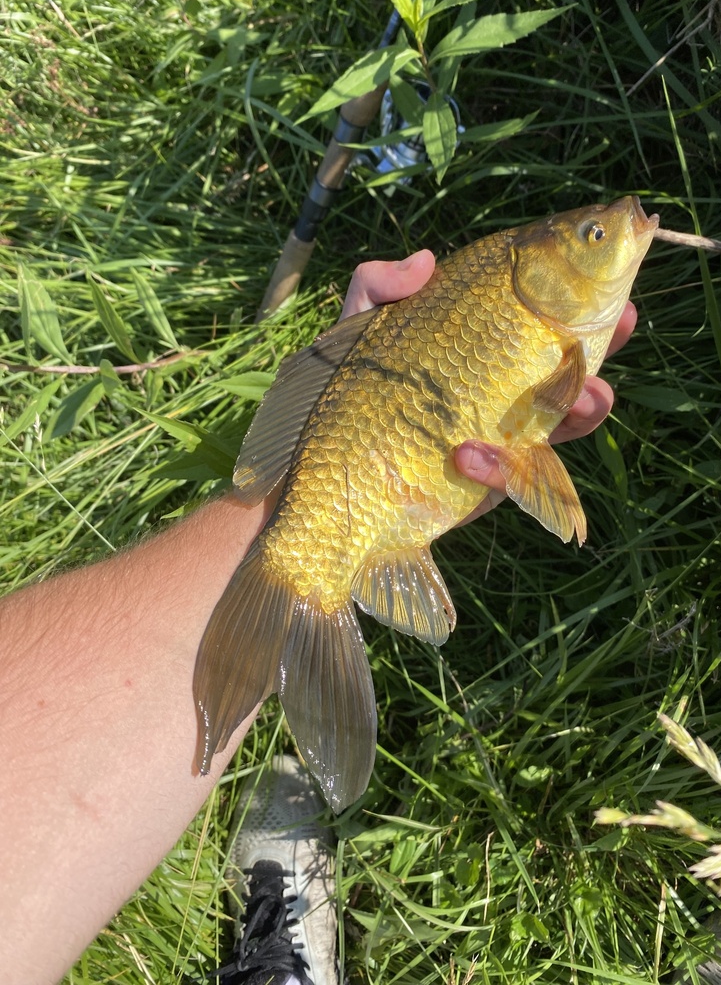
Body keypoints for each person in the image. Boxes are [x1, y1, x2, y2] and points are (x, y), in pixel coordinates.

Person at [0, 249, 635, 984]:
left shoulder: (551, 325)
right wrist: (310, 516)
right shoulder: (547, 324)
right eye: (592, 235)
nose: (621, 230)